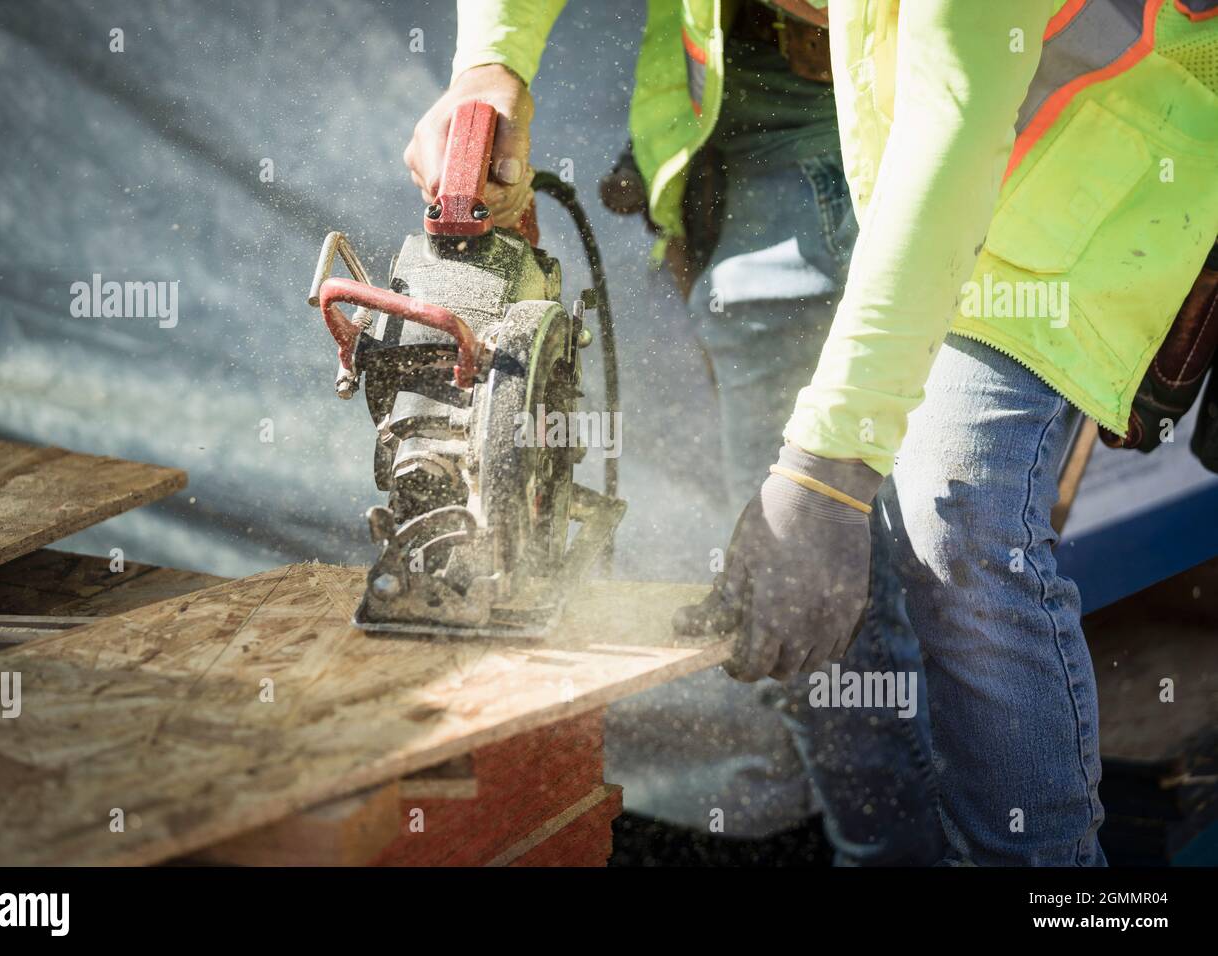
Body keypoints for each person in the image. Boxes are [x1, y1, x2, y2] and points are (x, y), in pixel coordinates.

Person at [407, 0, 1218, 864]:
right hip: (778, 120)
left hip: (1056, 126)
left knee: (958, 521)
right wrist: (493, 61)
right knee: (799, 605)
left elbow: (949, 143)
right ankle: (886, 855)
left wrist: (825, 472)